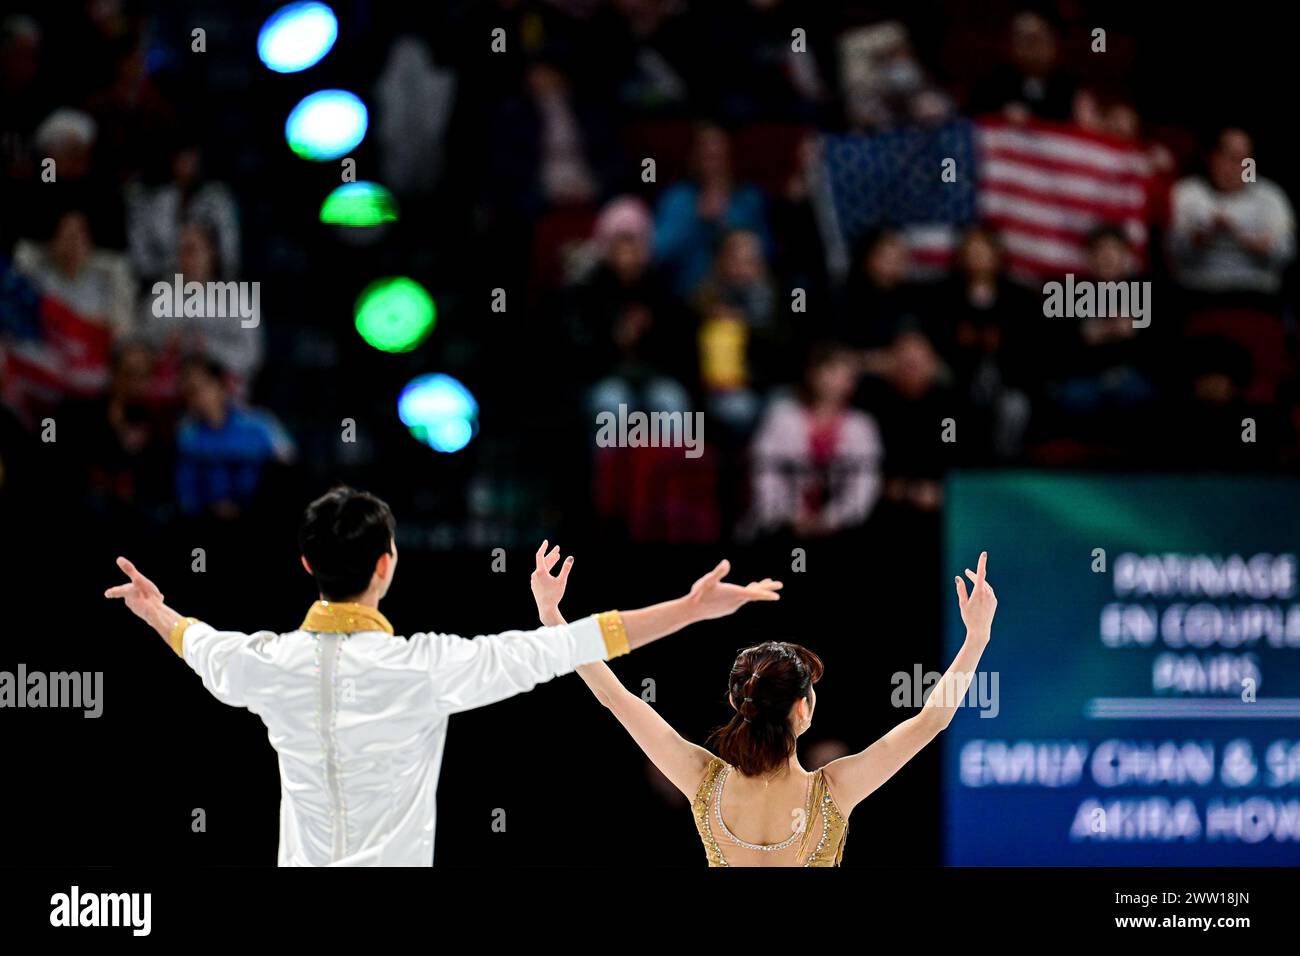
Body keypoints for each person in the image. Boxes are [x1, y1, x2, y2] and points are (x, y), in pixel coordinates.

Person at [104, 485, 783, 866]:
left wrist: (154, 608)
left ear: (307, 566)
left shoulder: (265, 664)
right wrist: (692, 610)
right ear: (386, 566)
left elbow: (200, 643)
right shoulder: (424, 668)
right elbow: (574, 643)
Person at [531, 544, 998, 866]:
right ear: (803, 709)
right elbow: (933, 719)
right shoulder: (835, 792)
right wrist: (976, 637)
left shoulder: (702, 782)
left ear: (739, 702)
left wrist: (554, 617)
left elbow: (615, 697)